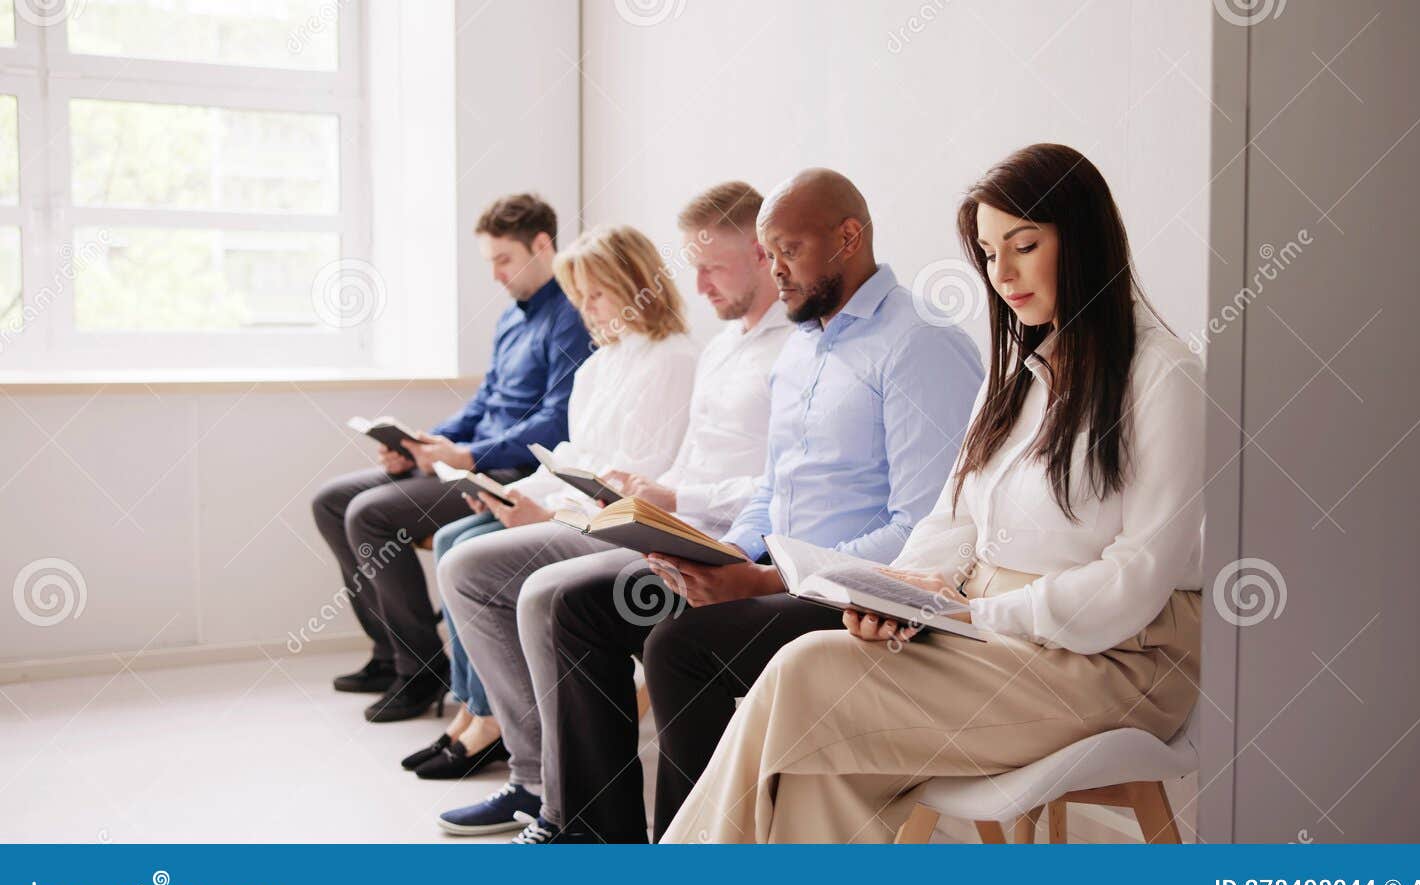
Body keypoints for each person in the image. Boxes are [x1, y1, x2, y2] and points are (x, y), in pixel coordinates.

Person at [661, 143, 1207, 844]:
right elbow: (953, 520)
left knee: (804, 676)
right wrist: (894, 595)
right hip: (997, 635)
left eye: (1024, 245)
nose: (1001, 273)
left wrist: (981, 614)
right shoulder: (1019, 374)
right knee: (818, 754)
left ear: (1085, 238)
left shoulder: (1163, 378)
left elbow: (1135, 581)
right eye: (986, 252)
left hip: (1114, 663)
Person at [533, 168, 984, 843]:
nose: (775, 272)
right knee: (577, 607)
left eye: (788, 251)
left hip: (857, 600)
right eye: (768, 256)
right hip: (769, 570)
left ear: (847, 236)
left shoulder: (919, 343)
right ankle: (601, 846)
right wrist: (728, 555)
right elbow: (774, 487)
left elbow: (922, 533)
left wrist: (770, 581)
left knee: (684, 648)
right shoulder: (803, 347)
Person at [424, 223, 703, 823]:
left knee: (469, 566)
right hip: (579, 514)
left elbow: (637, 481)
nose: (587, 311)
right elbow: (573, 459)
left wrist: (545, 511)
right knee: (461, 556)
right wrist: (511, 492)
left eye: (596, 295)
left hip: (616, 528)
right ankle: (531, 768)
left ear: (634, 284)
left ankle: (537, 774)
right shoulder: (601, 366)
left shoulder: (674, 360)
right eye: (579, 298)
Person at [310, 194, 592, 722]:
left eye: (503, 259)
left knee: (368, 513)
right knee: (331, 500)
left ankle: (419, 670)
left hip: (511, 472)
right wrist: (421, 443)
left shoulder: (573, 315)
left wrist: (466, 454)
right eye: (489, 262)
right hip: (468, 459)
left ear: (542, 245)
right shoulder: (513, 318)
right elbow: (486, 401)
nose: (495, 274)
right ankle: (389, 651)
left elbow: (558, 423)